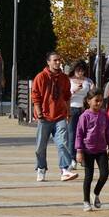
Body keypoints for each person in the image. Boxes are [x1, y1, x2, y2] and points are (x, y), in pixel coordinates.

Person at [32, 52, 76, 183]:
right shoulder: (41, 77)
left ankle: (65, 170)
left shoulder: (64, 78)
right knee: (40, 146)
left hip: (60, 116)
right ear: (48, 62)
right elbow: (35, 96)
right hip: (44, 117)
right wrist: (39, 113)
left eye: (59, 60)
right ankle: (41, 168)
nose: (58, 63)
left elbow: (67, 96)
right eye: (55, 60)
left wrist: (68, 112)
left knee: (63, 143)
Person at [75, 88, 109, 212]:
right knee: (89, 176)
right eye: (96, 101)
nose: (98, 103)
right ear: (88, 101)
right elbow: (79, 134)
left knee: (104, 174)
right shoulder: (84, 116)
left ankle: (96, 193)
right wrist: (79, 151)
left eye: (101, 101)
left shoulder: (104, 115)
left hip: (101, 149)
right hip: (87, 150)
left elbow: (108, 132)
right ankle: (86, 201)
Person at [66, 61, 93, 170]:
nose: (80, 73)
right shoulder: (69, 81)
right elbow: (65, 97)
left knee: (86, 135)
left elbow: (92, 95)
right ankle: (72, 158)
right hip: (72, 108)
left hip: (84, 110)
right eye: (78, 70)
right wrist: (74, 90)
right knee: (72, 134)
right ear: (74, 70)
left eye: (82, 70)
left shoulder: (88, 81)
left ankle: (84, 158)